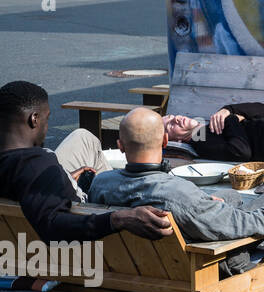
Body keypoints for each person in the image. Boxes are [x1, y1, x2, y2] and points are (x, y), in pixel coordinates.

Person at [90, 108, 264, 275]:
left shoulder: (101, 183)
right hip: (207, 265)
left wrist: (203, 203)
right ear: (164, 142)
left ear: (120, 146)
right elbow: (236, 225)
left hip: (140, 264)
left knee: (230, 197)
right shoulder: (176, 193)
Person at [0, 82, 173, 244]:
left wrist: (63, 178)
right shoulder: (35, 164)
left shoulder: (23, 165)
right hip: (92, 236)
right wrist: (119, 218)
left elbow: (31, 190)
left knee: (83, 137)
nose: (46, 127)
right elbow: (52, 225)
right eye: (47, 119)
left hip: (16, 235)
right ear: (34, 119)